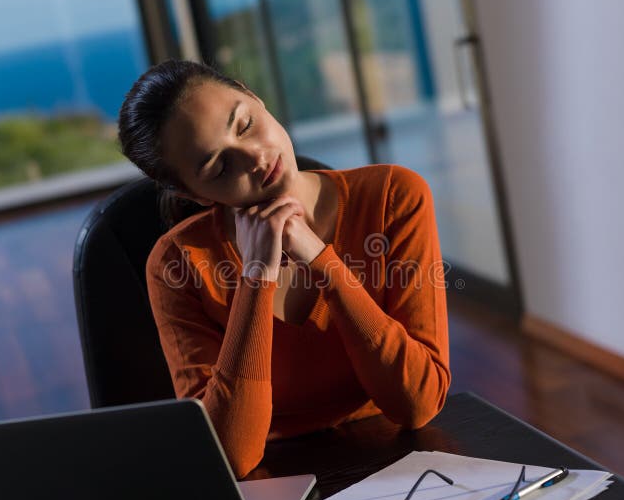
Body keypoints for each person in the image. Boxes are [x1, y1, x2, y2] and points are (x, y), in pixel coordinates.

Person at [118, 60, 450, 477]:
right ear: (194, 193)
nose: (255, 156)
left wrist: (319, 258)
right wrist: (256, 274)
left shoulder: (393, 197)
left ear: (254, 97)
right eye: (220, 167)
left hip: (391, 458)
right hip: (273, 480)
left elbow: (417, 405)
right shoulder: (177, 263)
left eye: (245, 123)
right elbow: (231, 456)